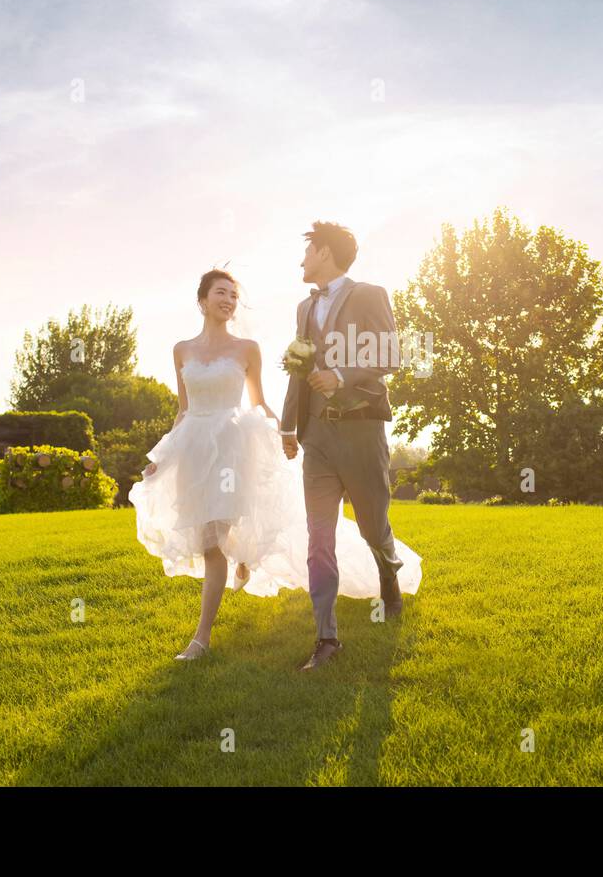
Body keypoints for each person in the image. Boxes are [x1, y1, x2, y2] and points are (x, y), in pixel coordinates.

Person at [129, 266, 421, 663]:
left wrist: (284, 434)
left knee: (213, 542)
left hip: (233, 447)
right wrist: (159, 458)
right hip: (194, 450)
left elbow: (260, 401)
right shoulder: (182, 350)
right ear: (202, 300)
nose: (228, 300)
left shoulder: (247, 348)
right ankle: (243, 557)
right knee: (208, 536)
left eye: (233, 294)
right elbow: (183, 410)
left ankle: (201, 638)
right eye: (220, 292)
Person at [280, 221, 409, 670]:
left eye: (307, 251)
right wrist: (288, 427)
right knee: (319, 537)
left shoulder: (369, 295)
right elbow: (299, 366)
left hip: (360, 430)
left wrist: (341, 375)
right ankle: (326, 638)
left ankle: (388, 572)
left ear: (325, 252)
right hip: (316, 438)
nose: (301, 260)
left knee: (373, 525)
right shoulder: (303, 307)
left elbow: (390, 356)